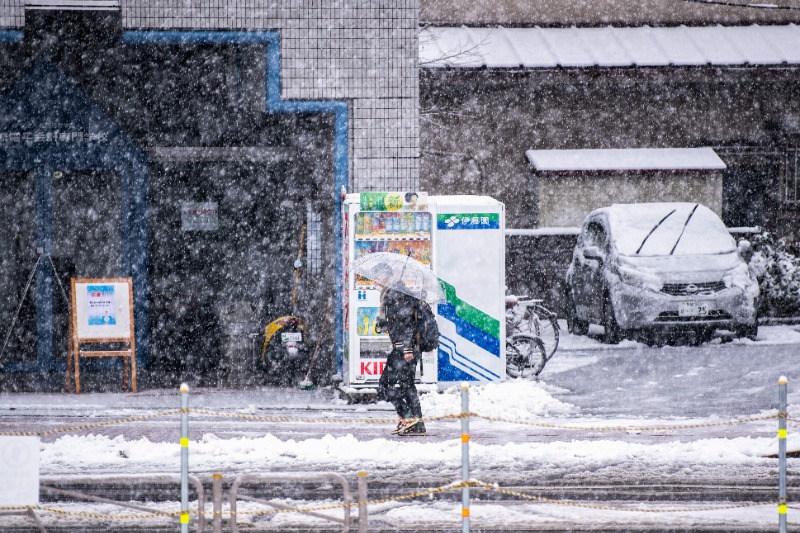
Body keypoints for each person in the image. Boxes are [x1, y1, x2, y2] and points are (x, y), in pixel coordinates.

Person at [373, 266, 426, 436]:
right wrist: (384, 324)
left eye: (377, 276)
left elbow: (407, 324)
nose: (375, 281)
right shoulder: (393, 293)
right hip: (403, 348)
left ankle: (408, 417)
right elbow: (397, 322)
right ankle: (416, 423)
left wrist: (408, 348)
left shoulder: (397, 293)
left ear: (386, 276)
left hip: (405, 349)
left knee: (385, 385)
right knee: (406, 385)